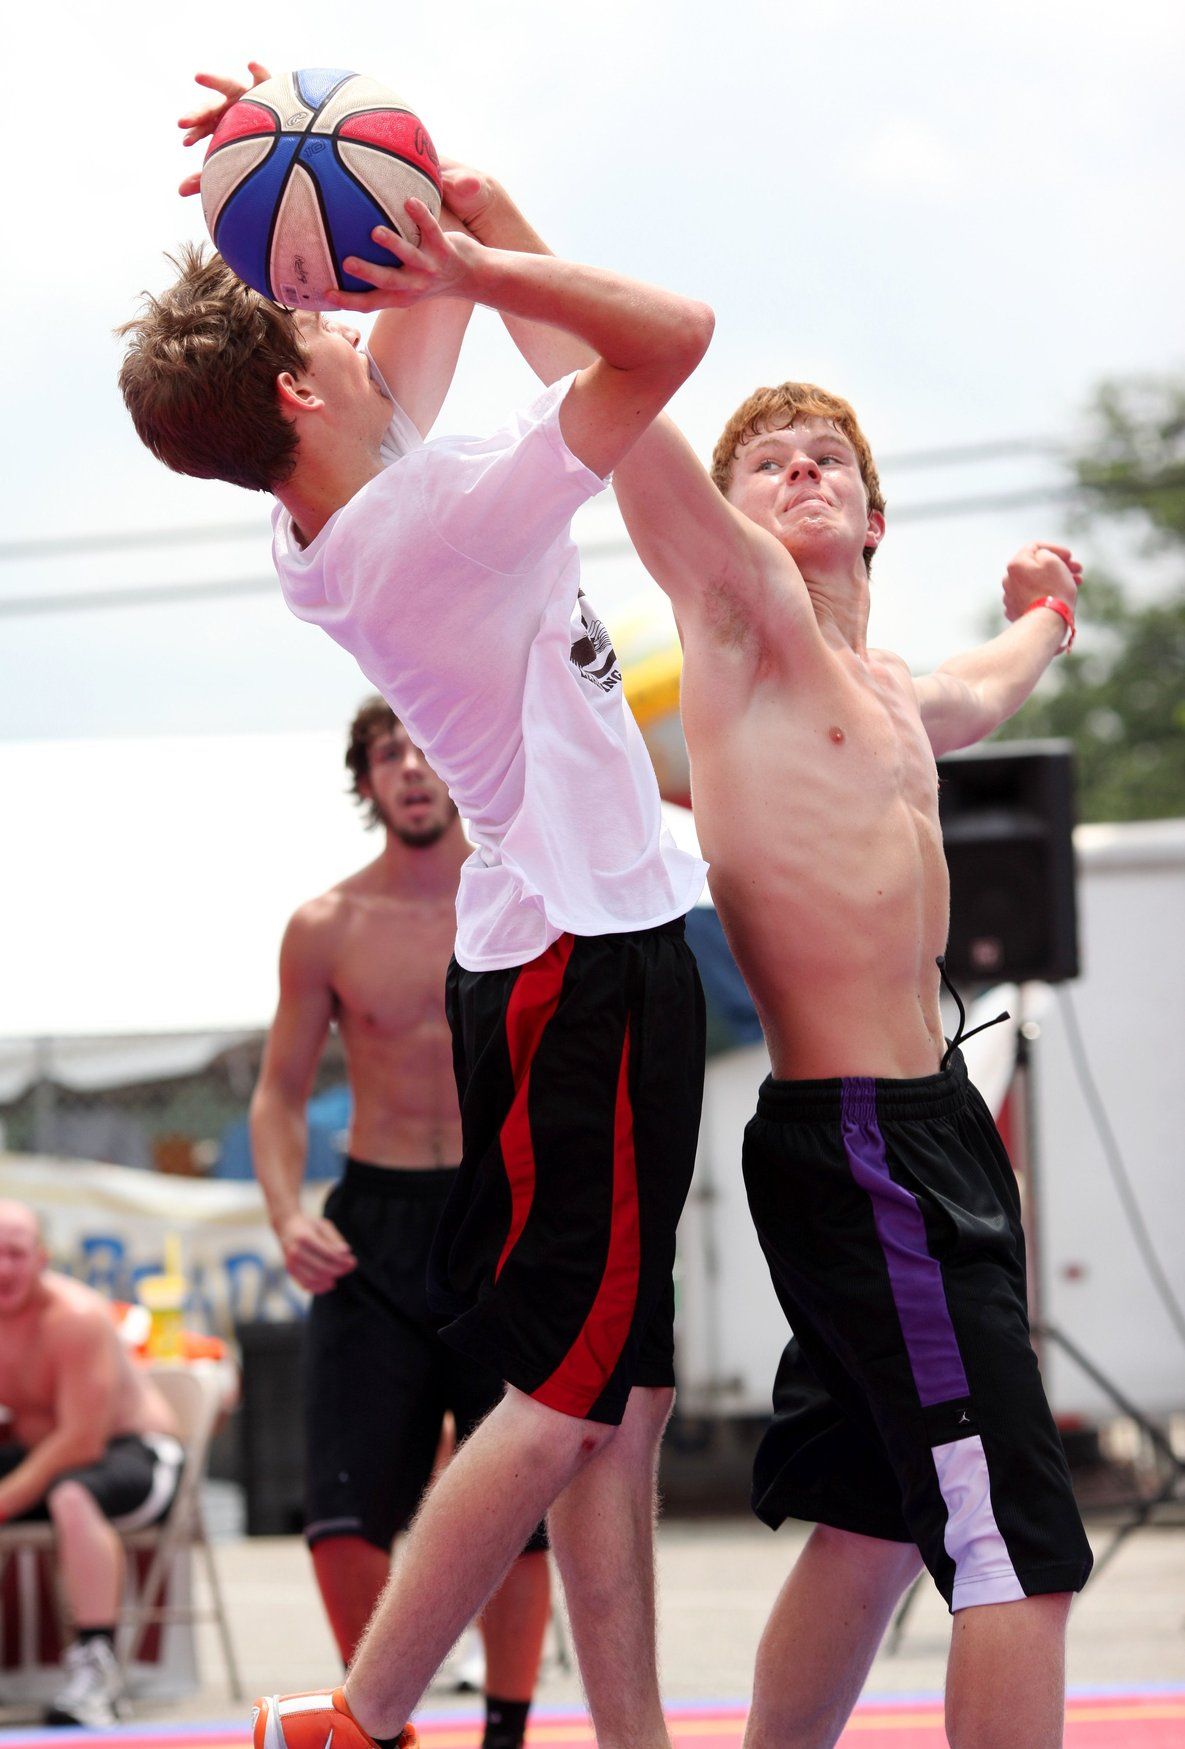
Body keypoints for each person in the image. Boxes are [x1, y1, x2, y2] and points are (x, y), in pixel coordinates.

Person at [118, 66, 712, 1749]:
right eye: (308, 317)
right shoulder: (431, 523)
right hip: (580, 956)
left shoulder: (330, 511)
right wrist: (463, 237)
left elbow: (398, 329)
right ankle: (361, 1711)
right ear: (303, 389)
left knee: (626, 1394)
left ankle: (635, 1734)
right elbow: (670, 336)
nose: (332, 319)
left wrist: (315, 173)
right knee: (557, 1396)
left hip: (567, 935)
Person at [605, 386, 1095, 1746]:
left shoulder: (885, 692)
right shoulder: (738, 621)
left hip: (920, 1123)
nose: (801, 472)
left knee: (878, 1520)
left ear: (876, 521)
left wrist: (1047, 609)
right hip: (863, 1140)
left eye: (828, 462)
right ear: (729, 514)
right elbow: (626, 422)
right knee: (1017, 1555)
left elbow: (983, 693)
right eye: (767, 465)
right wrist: (483, 247)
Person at [249, 695, 550, 1749]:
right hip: (370, 1227)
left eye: (427, 745)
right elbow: (280, 1093)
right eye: (388, 753)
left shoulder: (525, 895)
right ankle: (380, 1725)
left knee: (517, 1505)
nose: (413, 767)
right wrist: (287, 1214)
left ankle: (507, 1730)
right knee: (339, 1522)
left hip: (498, 1218)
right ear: (366, 781)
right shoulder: (327, 925)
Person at [0, 1201, 184, 1729]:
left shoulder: (74, 1316)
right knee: (59, 1484)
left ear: (42, 1258)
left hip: (135, 1451)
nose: (5, 1267)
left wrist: (6, 1499)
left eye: (16, 1253)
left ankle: (97, 1676)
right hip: (50, 1454)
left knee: (72, 1493)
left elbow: (81, 1441)